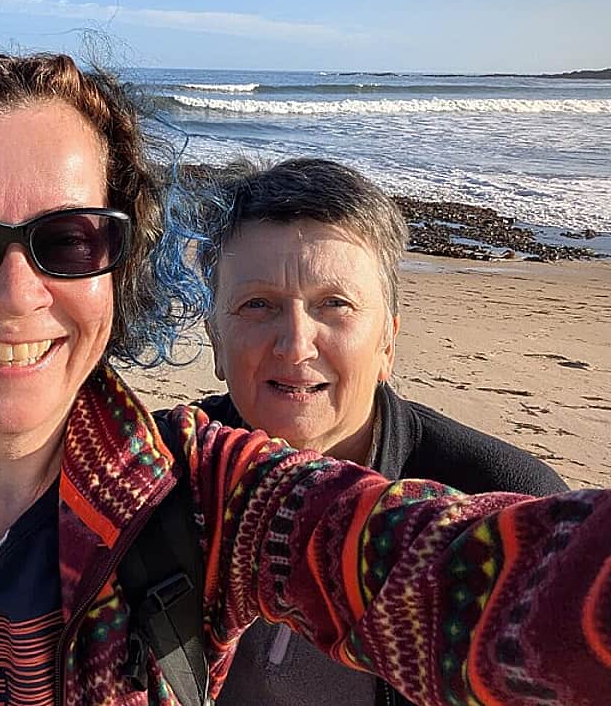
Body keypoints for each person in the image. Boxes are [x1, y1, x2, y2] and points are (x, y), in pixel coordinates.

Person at [0, 54, 611, 706]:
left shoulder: (206, 491)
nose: (17, 293)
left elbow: (452, 580)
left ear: (118, 269)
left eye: (68, 241)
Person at [192, 157, 568, 706]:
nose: (295, 344)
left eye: (334, 305)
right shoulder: (156, 480)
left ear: (388, 341)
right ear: (216, 341)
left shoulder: (501, 506)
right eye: (257, 305)